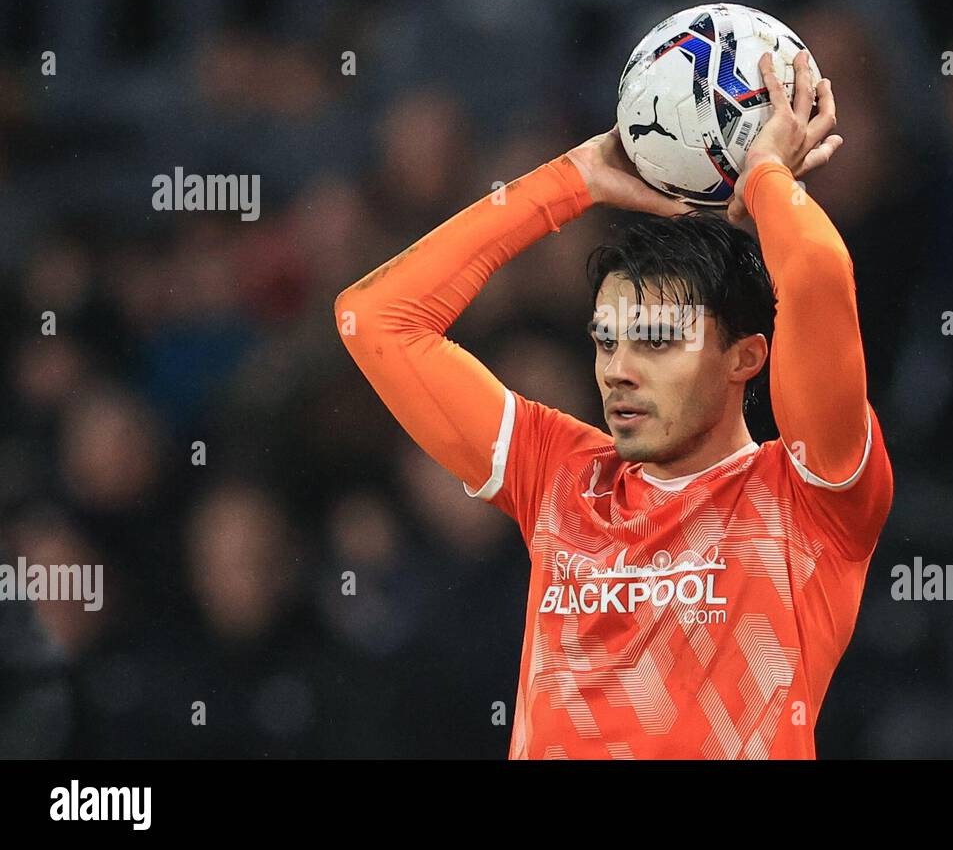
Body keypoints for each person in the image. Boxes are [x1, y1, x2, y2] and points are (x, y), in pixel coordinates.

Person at [335, 51, 893, 758]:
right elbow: (374, 317)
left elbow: (815, 273)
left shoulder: (809, 493)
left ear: (745, 357)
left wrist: (764, 175)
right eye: (607, 340)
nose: (619, 371)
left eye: (657, 340)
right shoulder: (559, 474)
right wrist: (571, 182)